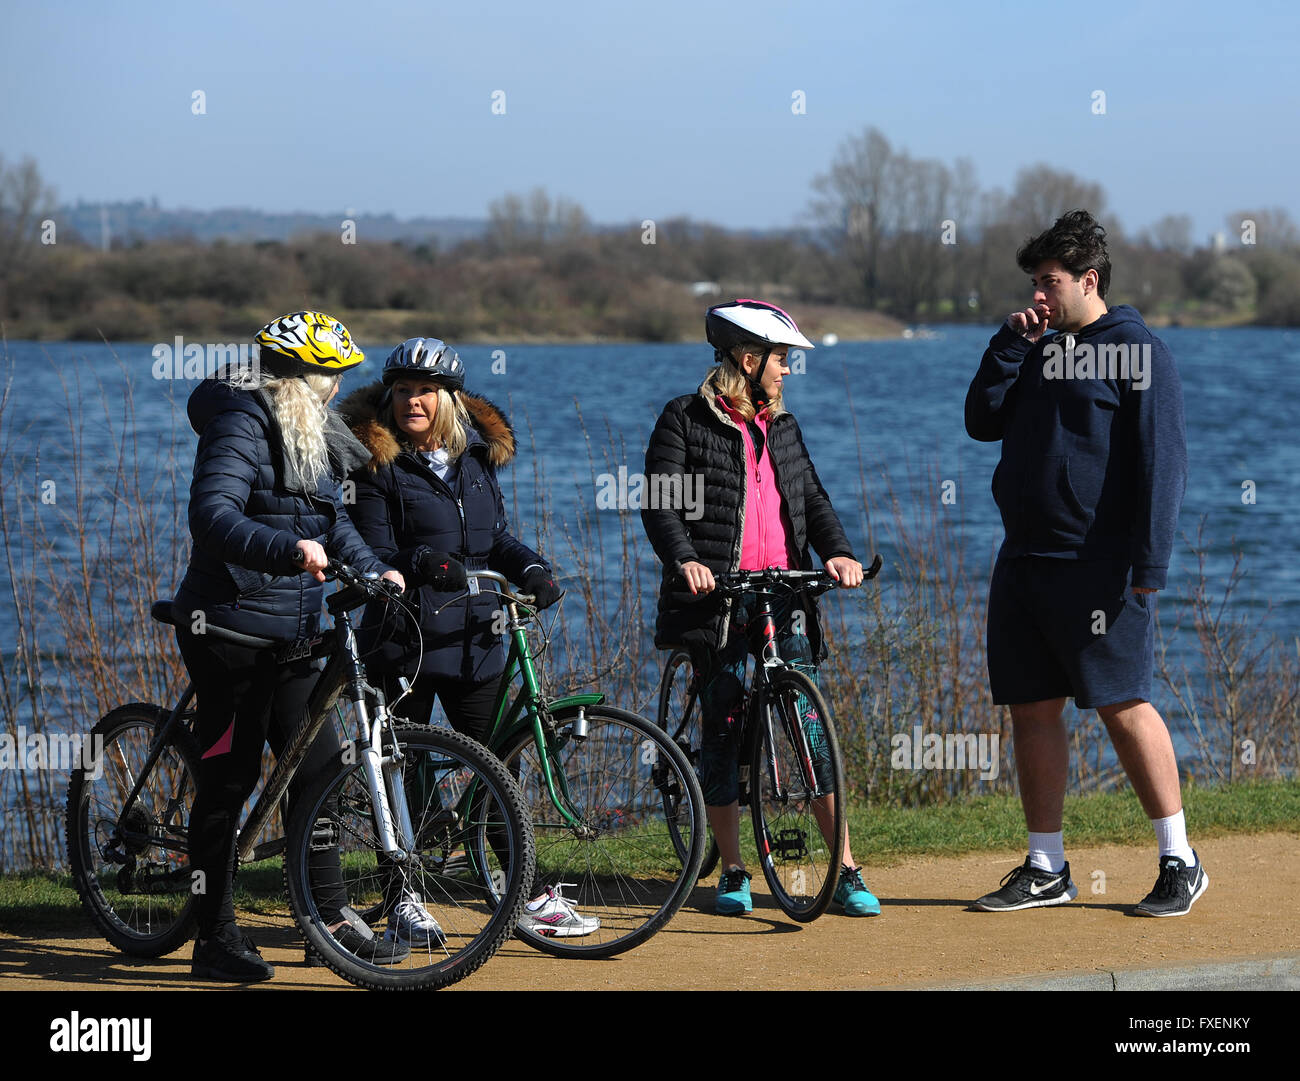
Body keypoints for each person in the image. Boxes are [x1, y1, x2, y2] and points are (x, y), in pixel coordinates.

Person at [965, 210, 1205, 916]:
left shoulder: (1138, 350)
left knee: (1123, 704)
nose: (1039, 295)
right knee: (1031, 709)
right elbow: (982, 420)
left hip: (1099, 567)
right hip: (1025, 562)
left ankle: (1179, 858)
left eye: (1050, 282)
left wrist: (1149, 564)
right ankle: (1046, 866)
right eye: (1035, 283)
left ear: (1088, 279)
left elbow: (1165, 465)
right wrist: (1009, 344)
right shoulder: (1035, 345)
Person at [171, 311, 410, 982]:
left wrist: (378, 568)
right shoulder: (240, 421)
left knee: (320, 775)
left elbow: (331, 523)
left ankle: (328, 922)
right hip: (227, 627)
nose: (336, 388)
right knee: (230, 780)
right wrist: (285, 549)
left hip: (297, 632)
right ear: (290, 374)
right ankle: (212, 938)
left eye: (339, 376)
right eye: (326, 375)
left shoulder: (315, 427)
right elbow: (213, 514)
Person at [338, 337, 597, 937]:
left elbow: (493, 540)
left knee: (496, 771)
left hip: (478, 641)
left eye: (425, 391)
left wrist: (531, 566)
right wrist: (424, 561)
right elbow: (374, 552)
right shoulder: (374, 463)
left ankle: (529, 896)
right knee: (394, 774)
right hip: (403, 642)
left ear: (450, 399)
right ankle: (402, 899)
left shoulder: (475, 461)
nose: (412, 402)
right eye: (402, 391)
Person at [641, 299, 879, 917]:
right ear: (749, 361)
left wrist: (839, 553)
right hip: (719, 598)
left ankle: (845, 867)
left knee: (808, 728)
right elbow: (660, 506)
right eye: (782, 360)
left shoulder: (784, 426)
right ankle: (734, 870)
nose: (788, 371)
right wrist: (686, 560)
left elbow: (814, 500)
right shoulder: (685, 420)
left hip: (785, 595)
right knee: (723, 725)